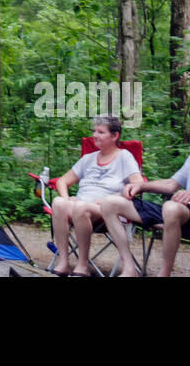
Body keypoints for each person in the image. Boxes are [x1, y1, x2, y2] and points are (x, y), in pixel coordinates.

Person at [97, 101, 190, 277]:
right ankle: (129, 268)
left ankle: (164, 274)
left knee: (171, 207)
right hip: (181, 210)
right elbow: (172, 184)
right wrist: (141, 185)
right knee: (110, 203)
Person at [47, 115, 142, 276]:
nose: (95, 135)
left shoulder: (124, 156)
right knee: (58, 202)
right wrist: (66, 197)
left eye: (101, 132)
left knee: (80, 206)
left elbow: (137, 183)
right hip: (81, 205)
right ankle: (63, 262)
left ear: (115, 136)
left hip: (105, 208)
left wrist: (115, 198)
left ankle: (82, 265)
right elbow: (62, 181)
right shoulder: (88, 159)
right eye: (94, 131)